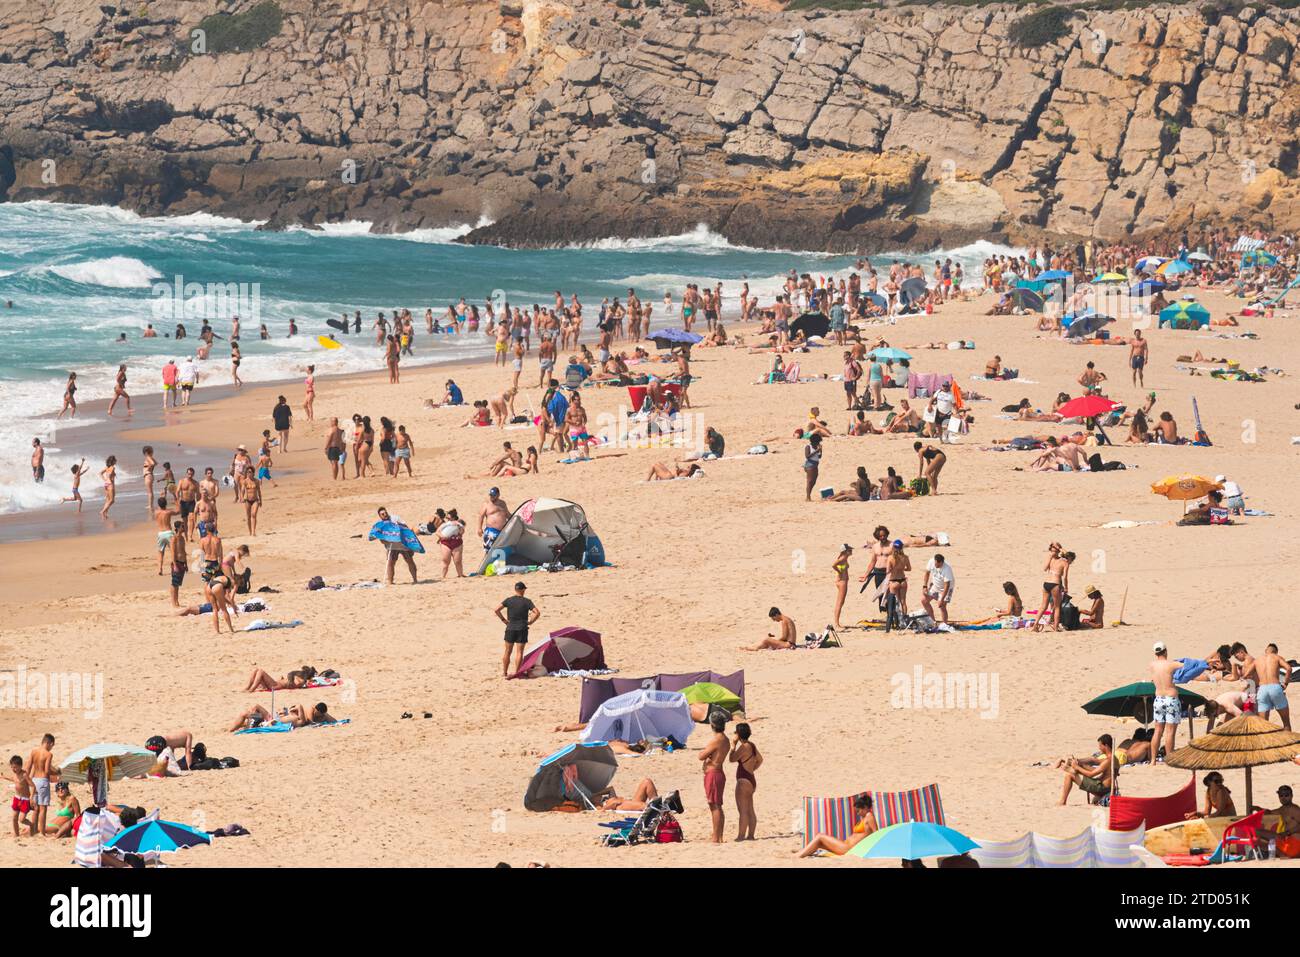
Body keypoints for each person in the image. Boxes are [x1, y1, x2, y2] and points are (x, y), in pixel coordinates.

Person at [796, 794, 877, 857]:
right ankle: (801, 853)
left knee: (820, 836)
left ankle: (798, 856)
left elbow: (876, 834)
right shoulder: (864, 818)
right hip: (845, 845)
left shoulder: (869, 817)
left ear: (865, 807)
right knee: (820, 843)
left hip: (849, 848)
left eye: (858, 811)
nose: (858, 814)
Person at [1057, 734, 1118, 805]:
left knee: (1069, 775)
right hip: (1106, 787)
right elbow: (1095, 762)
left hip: (1101, 788)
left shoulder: (1108, 761)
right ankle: (1073, 770)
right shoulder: (1113, 759)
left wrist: (1077, 767)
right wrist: (1080, 763)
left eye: (1100, 746)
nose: (1099, 748)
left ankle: (1062, 801)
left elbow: (1091, 774)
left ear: (1106, 746)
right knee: (1076, 771)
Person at [495, 582, 539, 677]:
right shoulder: (527, 601)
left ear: (515, 590)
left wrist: (504, 620)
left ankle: (504, 672)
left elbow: (496, 609)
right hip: (522, 628)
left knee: (507, 651)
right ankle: (517, 673)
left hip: (510, 627)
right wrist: (531, 621)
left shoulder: (509, 600)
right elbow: (537, 612)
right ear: (523, 590)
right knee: (519, 652)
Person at [699, 711, 730, 844]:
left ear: (712, 724)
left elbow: (701, 756)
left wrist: (704, 753)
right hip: (718, 773)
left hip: (713, 774)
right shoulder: (725, 739)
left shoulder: (716, 740)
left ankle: (716, 838)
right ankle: (719, 836)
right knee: (718, 805)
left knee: (714, 806)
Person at [1150, 642, 1182, 762]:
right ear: (1166, 651)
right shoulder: (1171, 664)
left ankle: (1153, 760)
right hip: (1170, 699)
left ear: (1155, 653)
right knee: (1170, 732)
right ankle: (1169, 759)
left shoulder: (1152, 665)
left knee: (1158, 731)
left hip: (1158, 700)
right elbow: (1187, 666)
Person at [730, 723, 762, 841]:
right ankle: (751, 835)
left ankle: (740, 836)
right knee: (750, 809)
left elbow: (732, 759)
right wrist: (753, 769)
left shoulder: (743, 747)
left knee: (743, 810)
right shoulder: (752, 745)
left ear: (738, 734)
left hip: (743, 780)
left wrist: (733, 745)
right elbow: (760, 759)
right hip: (751, 779)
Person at [376, 507, 418, 584]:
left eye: (385, 513)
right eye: (382, 514)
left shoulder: (395, 518)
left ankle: (415, 580)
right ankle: (390, 581)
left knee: (409, 560)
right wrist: (386, 541)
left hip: (402, 544)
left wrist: (398, 526)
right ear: (380, 516)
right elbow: (381, 538)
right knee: (390, 563)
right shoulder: (380, 525)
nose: (385, 514)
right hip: (392, 546)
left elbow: (406, 528)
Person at [1255, 643, 1291, 730]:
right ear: (1276, 652)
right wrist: (1285, 683)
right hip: (1275, 687)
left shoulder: (1257, 660)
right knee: (1286, 722)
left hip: (1262, 689)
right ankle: (1290, 743)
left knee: (1264, 725)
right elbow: (1289, 668)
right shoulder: (1276, 657)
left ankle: (1265, 743)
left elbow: (1247, 674)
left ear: (1266, 650)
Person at [920, 553, 954, 623]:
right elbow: (927, 573)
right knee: (924, 600)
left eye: (938, 565)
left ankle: (945, 624)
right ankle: (933, 621)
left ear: (942, 562)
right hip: (935, 585)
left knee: (942, 606)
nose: (936, 566)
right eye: (935, 564)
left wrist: (941, 599)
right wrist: (925, 586)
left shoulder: (947, 569)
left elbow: (947, 585)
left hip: (946, 588)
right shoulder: (931, 561)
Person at [436, 509, 466, 578]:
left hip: (456, 542)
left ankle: (460, 575)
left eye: (448, 515)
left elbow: (462, 531)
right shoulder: (445, 524)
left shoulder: (458, 524)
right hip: (445, 542)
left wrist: (459, 529)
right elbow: (437, 532)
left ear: (452, 517)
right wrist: (442, 536)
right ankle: (443, 576)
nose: (447, 517)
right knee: (446, 560)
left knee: (458, 561)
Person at [832, 545, 852, 628]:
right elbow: (833, 565)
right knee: (839, 603)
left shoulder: (844, 558)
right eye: (849, 549)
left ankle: (837, 622)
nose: (851, 551)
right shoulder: (842, 558)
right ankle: (836, 623)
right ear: (845, 551)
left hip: (841, 581)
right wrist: (839, 571)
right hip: (842, 582)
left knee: (841, 602)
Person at [803, 433, 823, 502]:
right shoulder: (808, 447)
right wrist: (816, 451)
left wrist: (820, 450)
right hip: (810, 465)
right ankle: (808, 497)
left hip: (815, 465)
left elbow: (819, 457)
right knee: (810, 481)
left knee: (814, 481)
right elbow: (807, 456)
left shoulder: (818, 446)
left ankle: (809, 495)